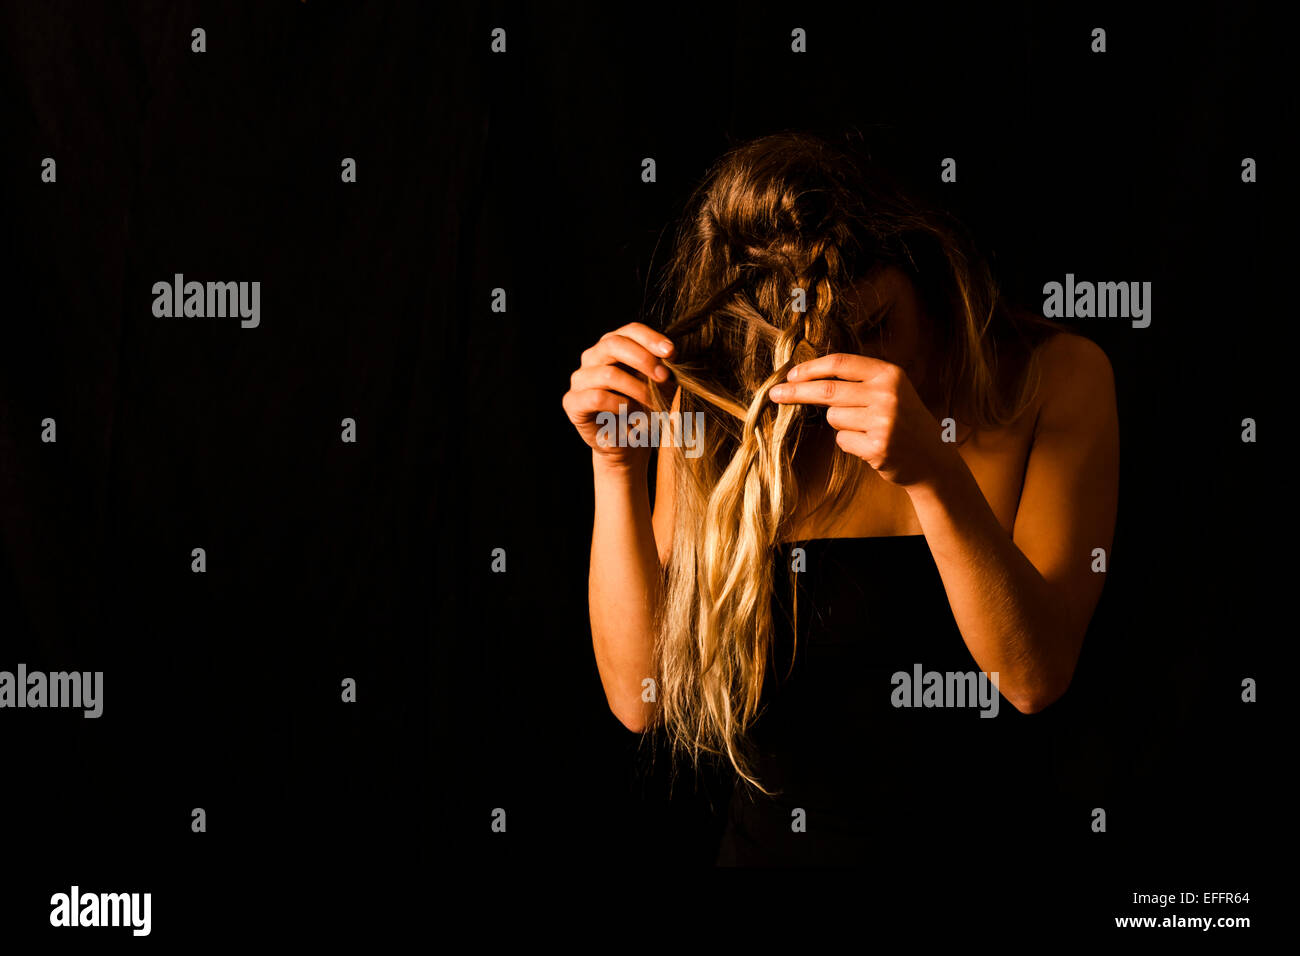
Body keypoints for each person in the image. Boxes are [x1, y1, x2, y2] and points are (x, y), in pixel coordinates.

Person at [561, 130, 1119, 864]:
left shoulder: (1054, 378)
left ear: (919, 266)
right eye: (813, 348)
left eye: (874, 326)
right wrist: (615, 468)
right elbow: (642, 698)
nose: (849, 366)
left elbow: (1033, 678)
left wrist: (935, 475)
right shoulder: (729, 400)